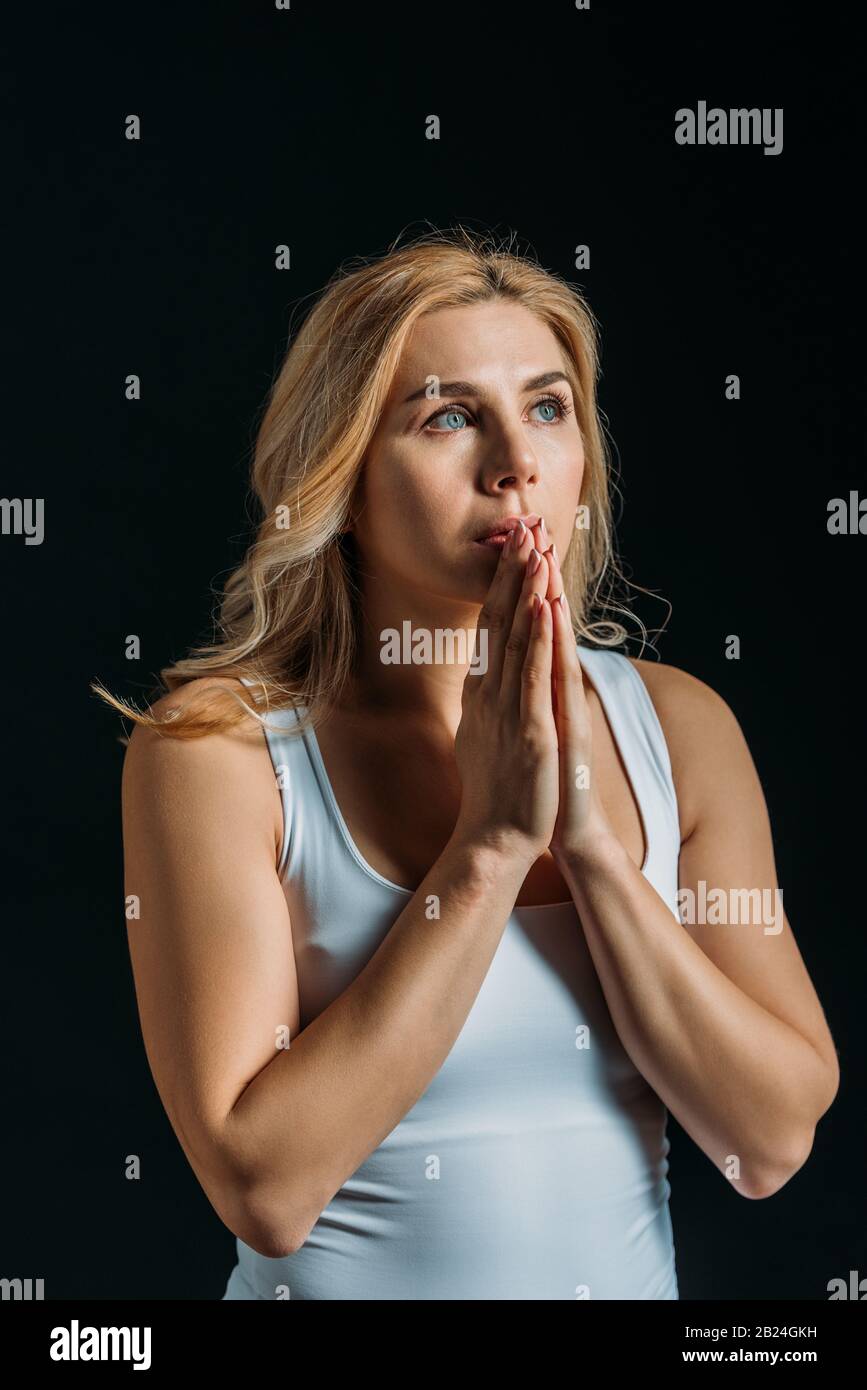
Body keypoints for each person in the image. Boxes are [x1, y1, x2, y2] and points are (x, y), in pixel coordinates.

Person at [98, 227, 839, 1300]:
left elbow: (767, 1142)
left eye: (547, 407)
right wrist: (489, 846)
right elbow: (264, 1188)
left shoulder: (678, 725)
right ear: (342, 472)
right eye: (448, 415)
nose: (516, 464)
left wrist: (585, 841)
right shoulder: (218, 752)